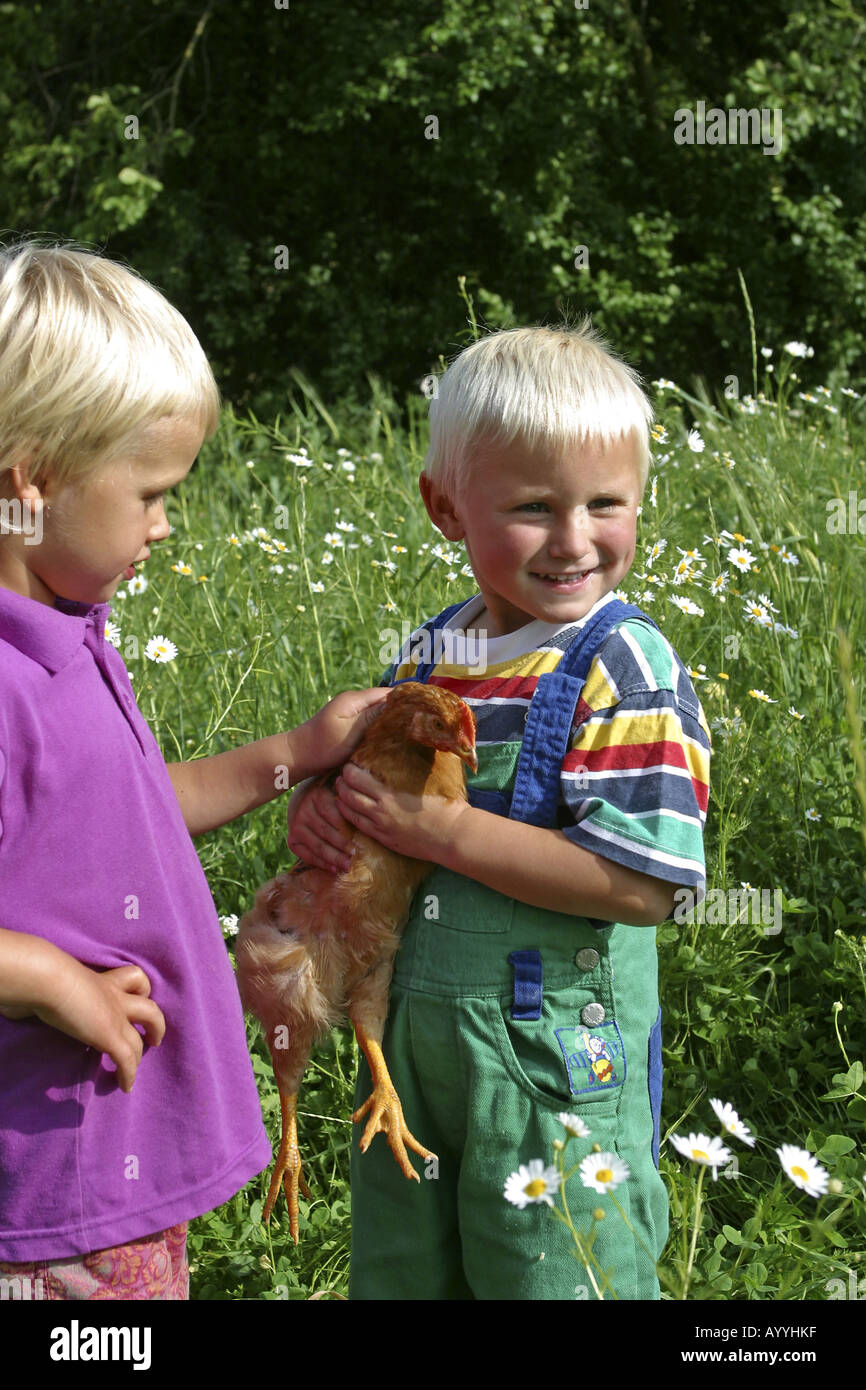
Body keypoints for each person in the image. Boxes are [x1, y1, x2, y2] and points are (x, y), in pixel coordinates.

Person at [288, 323, 713, 1300]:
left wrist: (445, 833)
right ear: (446, 509)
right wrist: (320, 813)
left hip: (552, 1064)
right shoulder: (428, 654)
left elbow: (642, 887)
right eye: (532, 507)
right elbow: (374, 801)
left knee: (556, 1270)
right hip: (410, 1054)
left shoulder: (623, 668)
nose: (573, 540)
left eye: (604, 504)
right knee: (405, 1274)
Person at [0, 240, 387, 1299]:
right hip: (43, 1199)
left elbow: (119, 810)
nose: (166, 525)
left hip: (107, 1165)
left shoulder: (69, 632)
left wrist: (293, 756)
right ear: (31, 481)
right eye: (151, 492)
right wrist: (46, 980)